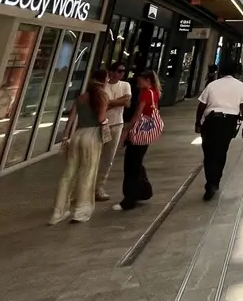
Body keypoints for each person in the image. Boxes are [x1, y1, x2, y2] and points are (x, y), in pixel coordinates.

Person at [50, 69, 109, 224]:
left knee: (68, 174)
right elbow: (101, 118)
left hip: (77, 135)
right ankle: (81, 211)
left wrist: (66, 136)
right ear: (103, 81)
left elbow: (70, 120)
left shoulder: (81, 98)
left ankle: (58, 212)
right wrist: (106, 124)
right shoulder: (103, 97)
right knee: (88, 172)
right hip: (92, 135)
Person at [195, 60, 243, 201]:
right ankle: (215, 181)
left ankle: (210, 182)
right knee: (221, 151)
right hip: (229, 122)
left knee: (208, 152)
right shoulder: (241, 86)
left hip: (211, 121)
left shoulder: (212, 85)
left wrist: (198, 122)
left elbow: (201, 106)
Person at [115, 70, 161, 211]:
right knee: (137, 162)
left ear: (147, 80)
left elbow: (137, 114)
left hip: (138, 132)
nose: (137, 83)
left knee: (131, 165)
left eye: (140, 80)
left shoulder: (145, 93)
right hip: (146, 133)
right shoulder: (154, 92)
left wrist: (125, 132)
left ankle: (130, 198)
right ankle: (143, 190)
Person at [94, 63, 131, 202]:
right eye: (118, 71)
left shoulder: (125, 85)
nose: (121, 73)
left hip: (116, 124)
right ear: (111, 72)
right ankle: (89, 186)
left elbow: (126, 101)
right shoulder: (103, 86)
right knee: (95, 156)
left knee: (108, 158)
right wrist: (114, 102)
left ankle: (99, 187)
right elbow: (99, 103)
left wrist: (109, 102)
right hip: (101, 125)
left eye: (123, 71)